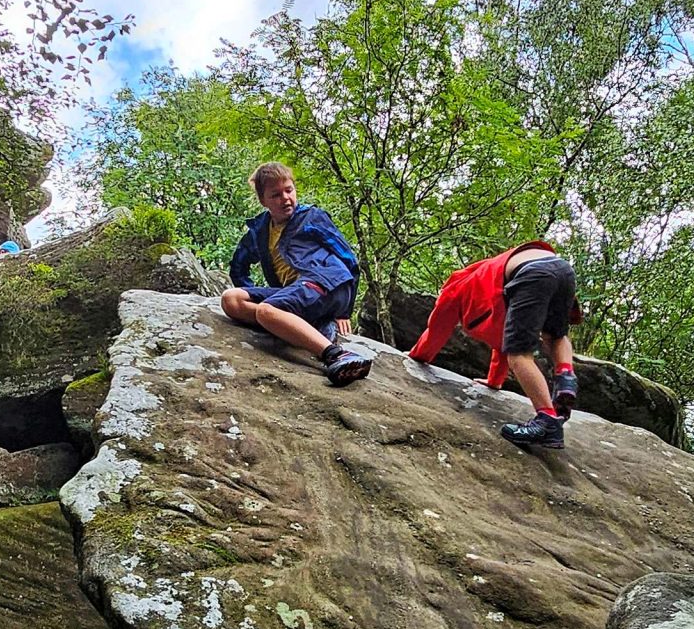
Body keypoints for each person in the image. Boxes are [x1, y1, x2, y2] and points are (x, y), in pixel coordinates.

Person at [408, 230, 580, 451]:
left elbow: (437, 330)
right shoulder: (487, 276)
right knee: (555, 335)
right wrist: (494, 382)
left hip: (532, 273)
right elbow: (502, 334)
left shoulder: (455, 288)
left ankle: (547, 421)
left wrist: (417, 356)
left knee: (519, 355)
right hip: (561, 268)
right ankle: (566, 377)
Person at [223, 162, 372, 387]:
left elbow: (348, 259)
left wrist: (344, 311)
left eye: (289, 190)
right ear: (263, 201)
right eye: (276, 194)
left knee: (266, 311)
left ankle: (335, 354)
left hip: (325, 281)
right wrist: (265, 294)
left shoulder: (311, 217)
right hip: (296, 292)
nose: (285, 198)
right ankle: (297, 325)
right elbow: (239, 265)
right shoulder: (261, 231)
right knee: (231, 300)